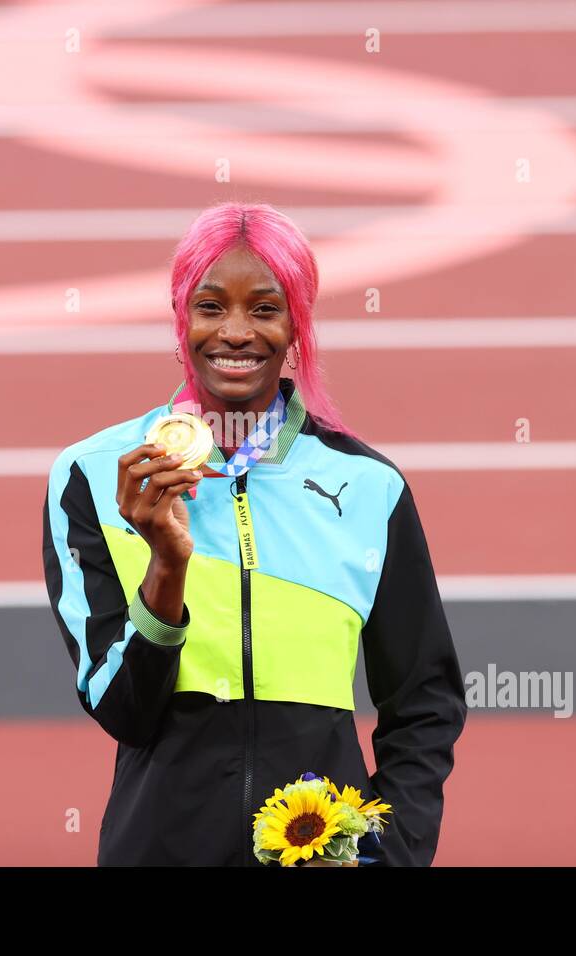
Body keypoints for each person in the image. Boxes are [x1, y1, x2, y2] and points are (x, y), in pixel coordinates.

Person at [41, 201, 467, 866]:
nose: (235, 332)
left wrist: (390, 851)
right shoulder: (93, 477)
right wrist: (166, 565)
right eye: (211, 307)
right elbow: (123, 711)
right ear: (182, 319)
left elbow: (424, 701)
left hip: (320, 855)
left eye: (264, 309)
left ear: (296, 322)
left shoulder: (370, 486)